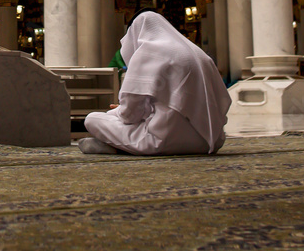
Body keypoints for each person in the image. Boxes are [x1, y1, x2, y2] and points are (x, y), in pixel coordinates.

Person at [79, 10, 231, 156]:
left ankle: (117, 146)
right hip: (210, 141)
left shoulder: (146, 53)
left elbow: (129, 116)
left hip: (163, 141)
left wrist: (116, 111)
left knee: (92, 119)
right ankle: (119, 145)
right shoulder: (200, 55)